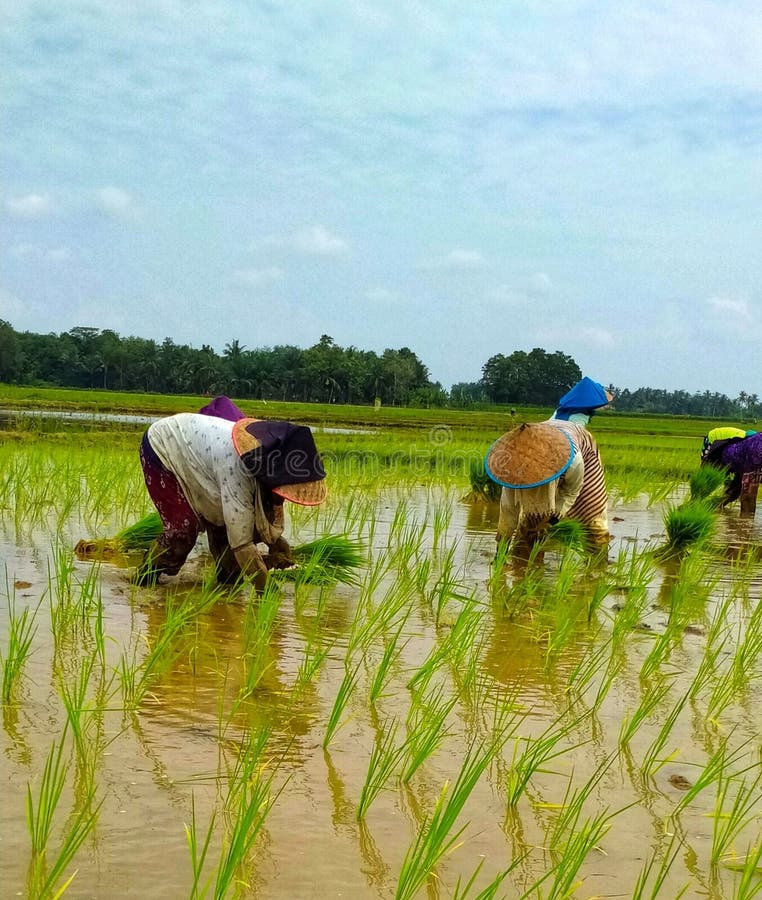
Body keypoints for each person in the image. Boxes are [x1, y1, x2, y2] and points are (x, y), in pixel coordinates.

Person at [134, 413, 327, 586]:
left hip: (203, 460)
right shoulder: (238, 469)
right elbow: (242, 544)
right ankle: (142, 579)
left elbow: (254, 520)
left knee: (230, 557)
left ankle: (226, 584)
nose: (282, 498)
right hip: (164, 448)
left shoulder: (268, 468)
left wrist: (276, 544)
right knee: (182, 533)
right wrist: (267, 593)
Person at [486, 419, 609, 548]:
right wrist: (501, 550)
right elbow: (508, 510)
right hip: (542, 436)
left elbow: (571, 492)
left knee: (594, 524)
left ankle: (597, 564)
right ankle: (524, 561)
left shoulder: (574, 460)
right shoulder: (511, 470)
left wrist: (551, 521)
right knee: (528, 531)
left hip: (584, 455)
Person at [702, 430, 762, 506]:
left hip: (740, 459)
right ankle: (696, 505)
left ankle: (709, 507)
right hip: (723, 455)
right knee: (707, 483)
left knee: (734, 493)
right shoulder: (757, 449)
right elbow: (748, 496)